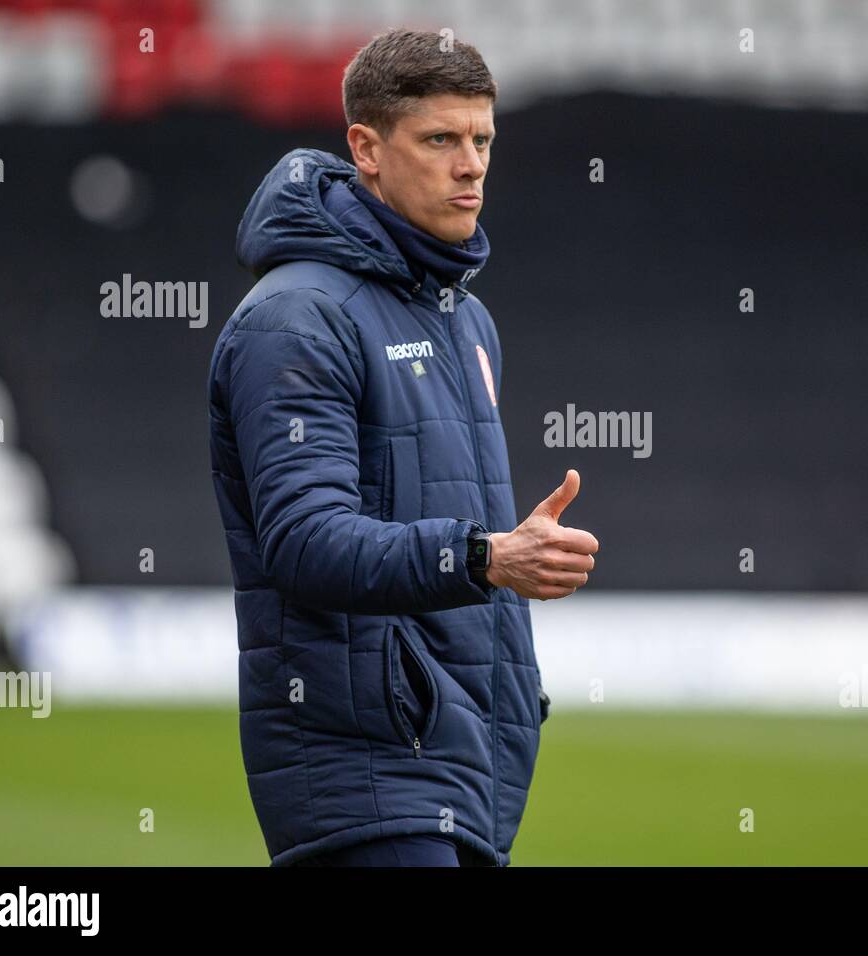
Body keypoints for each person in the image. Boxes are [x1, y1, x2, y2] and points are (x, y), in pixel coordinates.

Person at [206, 27, 599, 867]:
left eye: (483, 139)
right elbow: (305, 543)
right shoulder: (297, 318)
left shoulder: (464, 317)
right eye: (440, 140)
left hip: (462, 766)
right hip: (366, 774)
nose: (472, 166)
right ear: (367, 149)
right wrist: (486, 556)